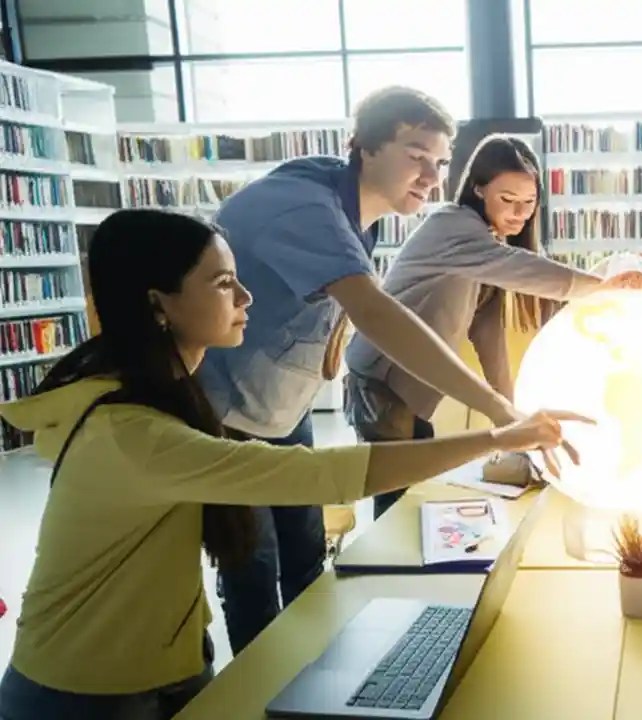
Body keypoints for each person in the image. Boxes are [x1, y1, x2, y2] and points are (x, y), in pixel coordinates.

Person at [0, 210, 583, 720]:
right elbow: (315, 474)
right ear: (160, 305)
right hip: (84, 693)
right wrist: (497, 436)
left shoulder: (164, 393)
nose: (246, 298)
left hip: (165, 663)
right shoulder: (130, 431)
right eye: (225, 284)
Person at [195, 87, 563, 655]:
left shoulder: (357, 212)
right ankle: (258, 688)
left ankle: (312, 670)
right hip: (225, 412)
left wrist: (503, 409)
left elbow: (483, 326)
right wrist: (498, 413)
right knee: (253, 563)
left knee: (305, 551)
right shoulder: (310, 207)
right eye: (417, 156)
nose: (432, 176)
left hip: (282, 408)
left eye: (440, 162)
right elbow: (377, 314)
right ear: (364, 146)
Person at [345, 134, 622, 518]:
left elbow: (487, 336)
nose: (518, 213)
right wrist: (606, 289)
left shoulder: (487, 246)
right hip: (382, 378)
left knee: (415, 492)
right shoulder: (453, 225)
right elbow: (528, 272)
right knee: (398, 500)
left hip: (411, 382)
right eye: (507, 200)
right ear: (478, 188)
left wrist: (510, 413)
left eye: (528, 203)